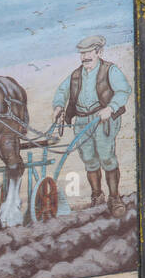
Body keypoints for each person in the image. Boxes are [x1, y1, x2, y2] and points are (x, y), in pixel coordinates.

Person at [52, 34, 131, 217]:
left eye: (89, 52)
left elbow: (124, 90)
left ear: (99, 52)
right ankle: (97, 195)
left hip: (103, 120)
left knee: (107, 157)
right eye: (82, 53)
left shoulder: (110, 70)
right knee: (88, 159)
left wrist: (110, 108)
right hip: (81, 121)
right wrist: (58, 106)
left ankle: (114, 197)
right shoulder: (76, 75)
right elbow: (62, 91)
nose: (85, 57)